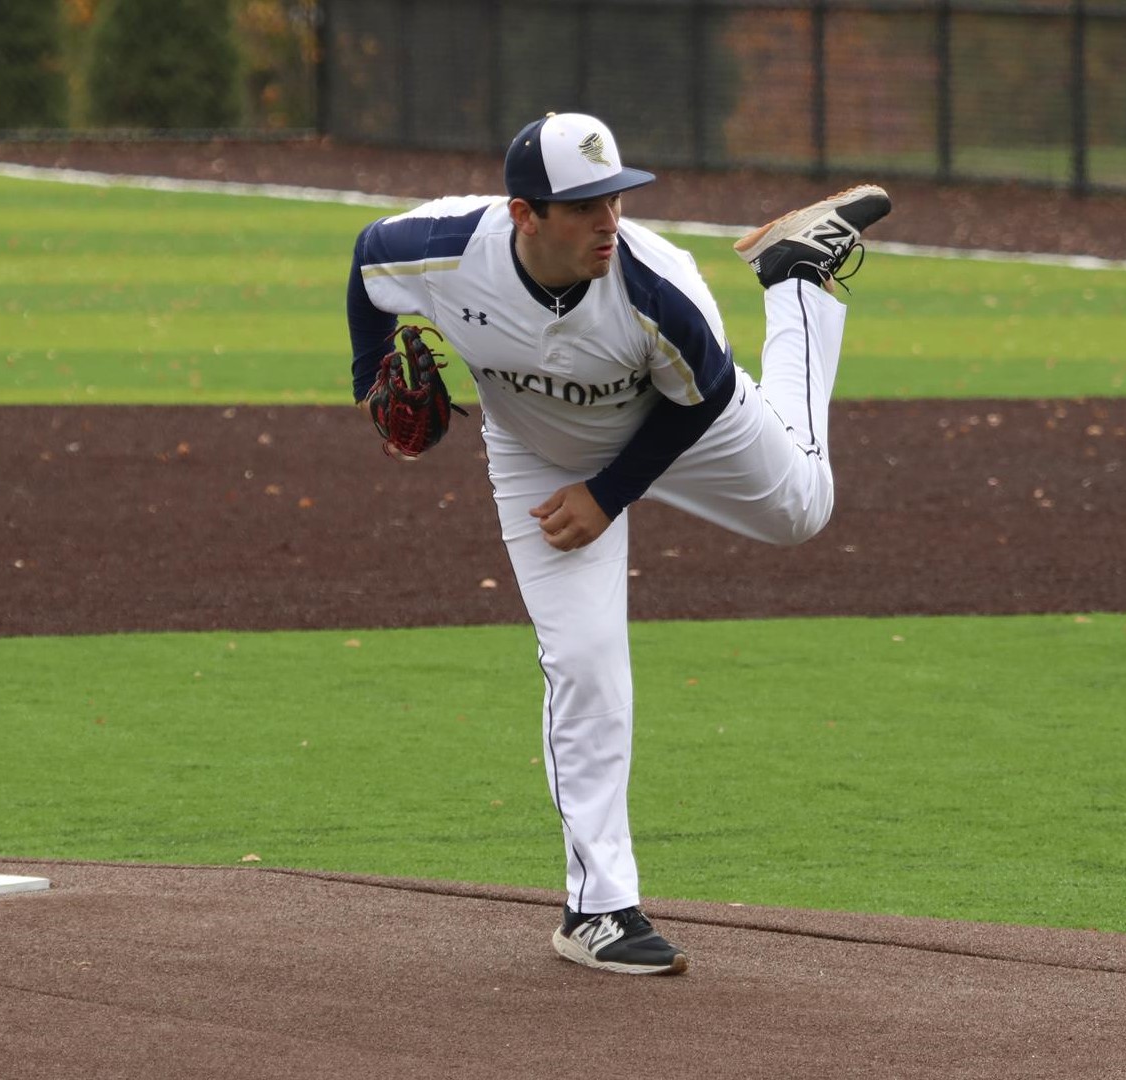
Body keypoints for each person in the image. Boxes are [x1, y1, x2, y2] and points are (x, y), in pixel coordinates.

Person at [345, 112, 890, 975]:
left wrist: (608, 495)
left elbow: (699, 402)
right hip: (533, 448)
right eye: (587, 205)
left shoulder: (654, 286)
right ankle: (598, 909)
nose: (611, 220)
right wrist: (365, 378)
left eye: (618, 198)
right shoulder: (442, 246)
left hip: (678, 421)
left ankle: (792, 278)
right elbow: (367, 263)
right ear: (525, 214)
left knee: (802, 508)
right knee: (586, 664)